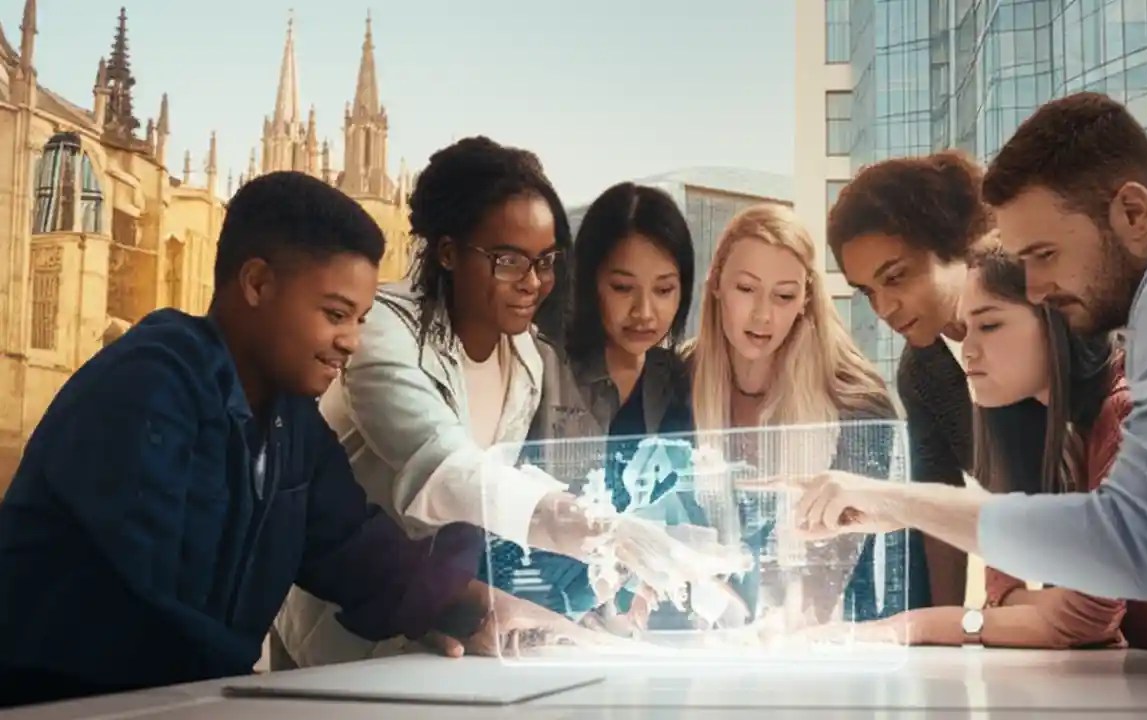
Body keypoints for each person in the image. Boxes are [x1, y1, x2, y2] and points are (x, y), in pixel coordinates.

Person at [0, 172, 558, 707]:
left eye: (361, 319)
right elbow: (148, 607)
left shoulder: (292, 423)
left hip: (183, 703)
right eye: (335, 313)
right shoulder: (148, 384)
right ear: (258, 283)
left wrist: (479, 613)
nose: (351, 342)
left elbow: (353, 549)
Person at [788, 92, 1147, 651]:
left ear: (1134, 214)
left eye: (1045, 256)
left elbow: (1131, 549)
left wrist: (892, 504)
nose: (1038, 288)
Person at [275, 139, 741, 668]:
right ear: (448, 251)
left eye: (544, 262)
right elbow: (442, 467)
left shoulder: (525, 358)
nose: (533, 282)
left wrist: (603, 567)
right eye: (508, 260)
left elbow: (488, 509)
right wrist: (580, 523)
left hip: (439, 626)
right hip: (336, 637)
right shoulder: (381, 329)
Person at [807, 244, 1147, 665]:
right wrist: (1023, 611)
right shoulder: (1048, 435)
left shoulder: (1133, 412)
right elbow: (1006, 591)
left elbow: (1082, 618)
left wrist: (909, 626)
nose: (968, 350)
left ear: (1055, 323)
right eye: (966, 329)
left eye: (989, 325)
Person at [826, 150, 1041, 608]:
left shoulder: (1040, 308)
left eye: (897, 277)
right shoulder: (921, 373)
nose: (884, 308)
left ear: (954, 245)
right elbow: (937, 509)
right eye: (868, 292)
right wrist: (941, 634)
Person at [684, 204, 899, 626]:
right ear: (715, 284)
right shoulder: (673, 383)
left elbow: (838, 559)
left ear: (805, 300)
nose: (763, 315)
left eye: (783, 296)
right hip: (696, 639)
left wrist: (783, 630)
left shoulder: (854, 400)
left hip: (824, 640)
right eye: (746, 289)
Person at [494, 181, 697, 619]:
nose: (645, 311)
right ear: (589, 282)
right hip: (521, 606)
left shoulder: (675, 381)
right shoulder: (542, 364)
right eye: (623, 288)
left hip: (626, 617)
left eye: (664, 290)